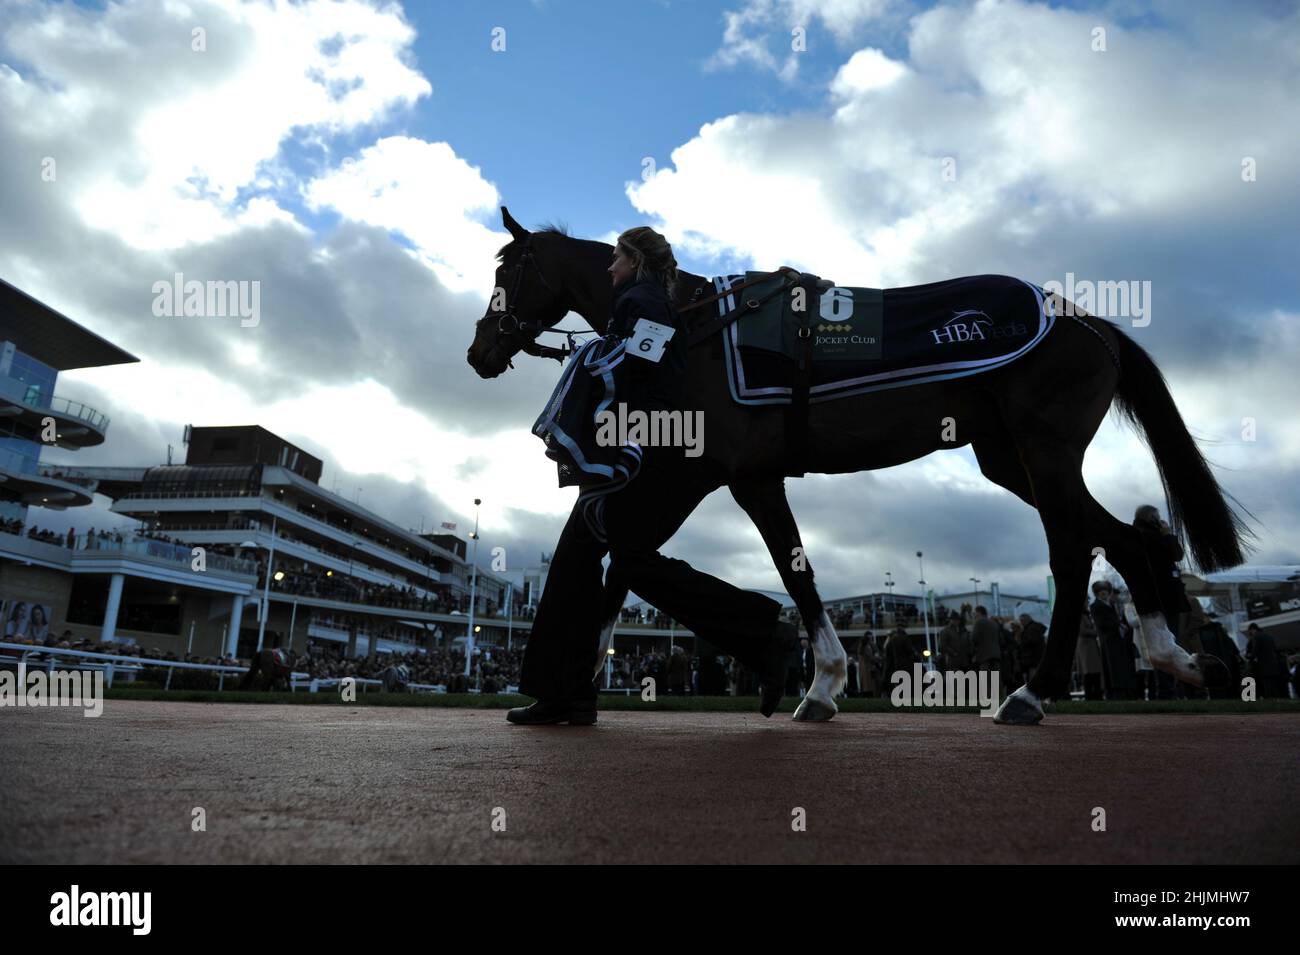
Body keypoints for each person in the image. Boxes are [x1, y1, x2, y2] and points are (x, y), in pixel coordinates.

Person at [509, 227, 797, 725]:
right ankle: (764, 634)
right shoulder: (647, 299)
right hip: (651, 445)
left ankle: (566, 692)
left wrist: (591, 358)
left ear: (636, 259)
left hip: (643, 452)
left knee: (587, 559)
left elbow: (644, 359)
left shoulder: (640, 297)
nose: (609, 266)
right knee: (624, 562)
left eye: (617, 256)